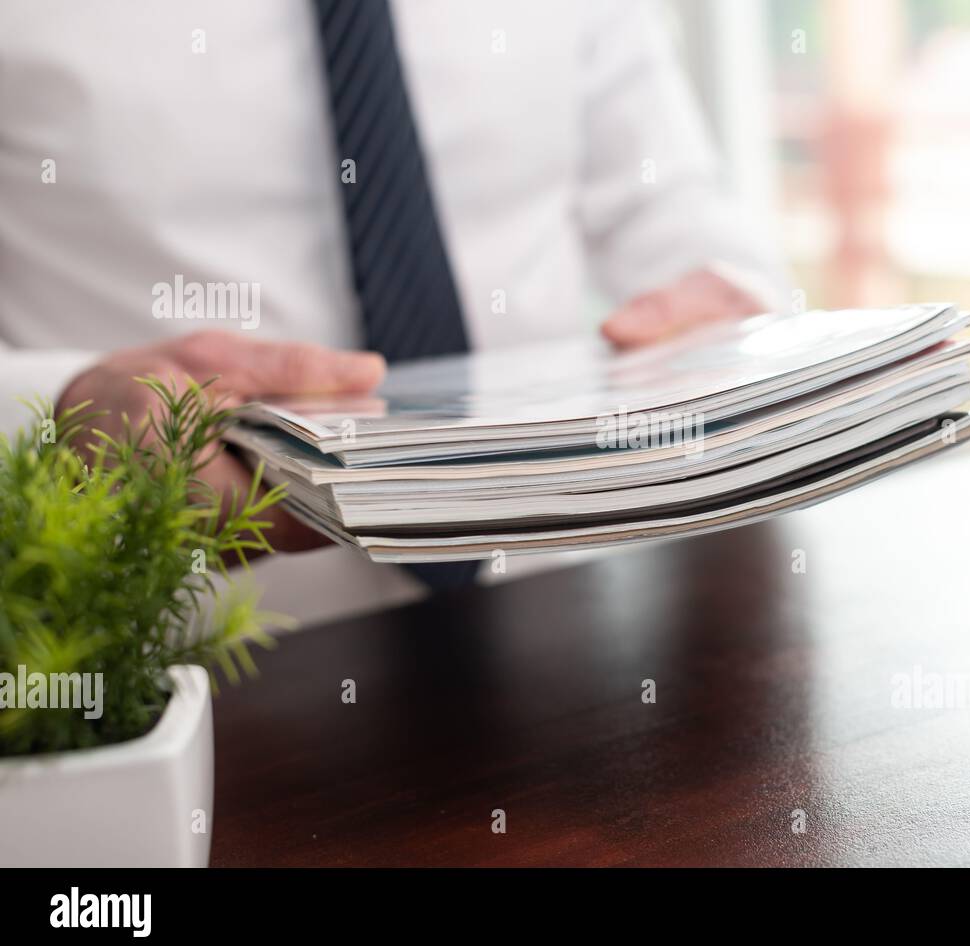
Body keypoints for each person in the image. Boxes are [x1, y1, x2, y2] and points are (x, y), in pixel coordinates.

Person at [0, 0, 784, 602]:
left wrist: (732, 323)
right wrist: (56, 409)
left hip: (569, 620)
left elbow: (674, 215)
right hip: (181, 690)